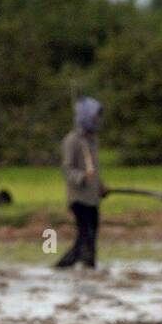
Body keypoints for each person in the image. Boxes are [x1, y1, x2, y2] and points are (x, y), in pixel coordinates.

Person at [57, 97, 107, 269]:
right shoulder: (72, 140)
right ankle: (66, 265)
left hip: (92, 198)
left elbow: (94, 169)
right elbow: (67, 169)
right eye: (95, 117)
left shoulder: (92, 140)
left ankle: (88, 265)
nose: (97, 121)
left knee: (91, 236)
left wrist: (100, 185)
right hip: (79, 198)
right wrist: (82, 177)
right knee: (85, 235)